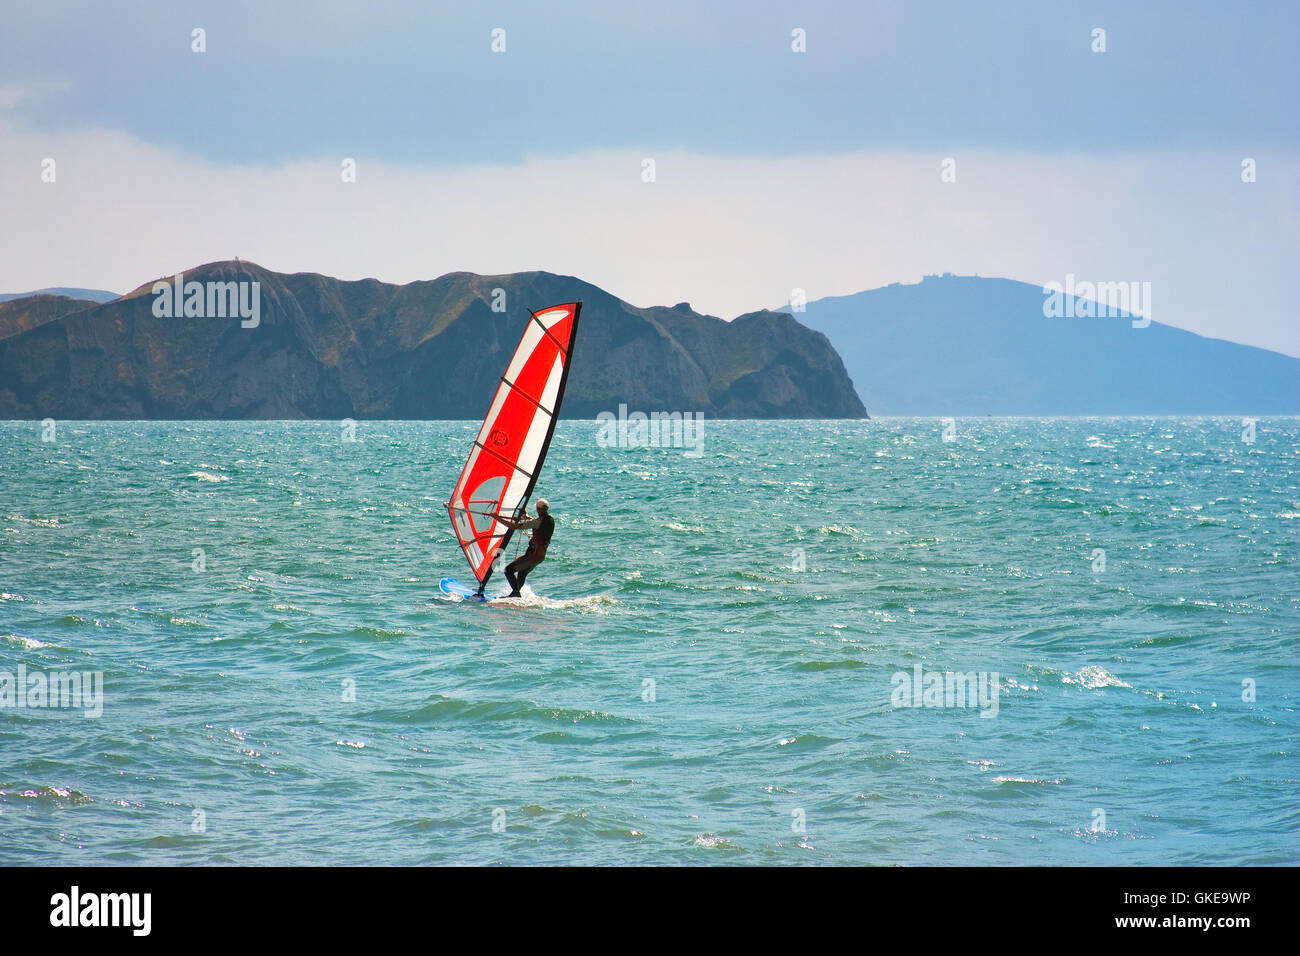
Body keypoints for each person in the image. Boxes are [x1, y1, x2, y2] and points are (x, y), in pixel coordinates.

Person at [495, 498, 554, 597]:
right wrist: (526, 517)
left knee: (508, 570)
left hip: (533, 555)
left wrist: (496, 517)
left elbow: (514, 526)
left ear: (539, 509)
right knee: (522, 573)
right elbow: (537, 522)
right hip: (540, 556)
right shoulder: (550, 519)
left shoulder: (537, 522)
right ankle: (515, 594)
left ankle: (516, 594)